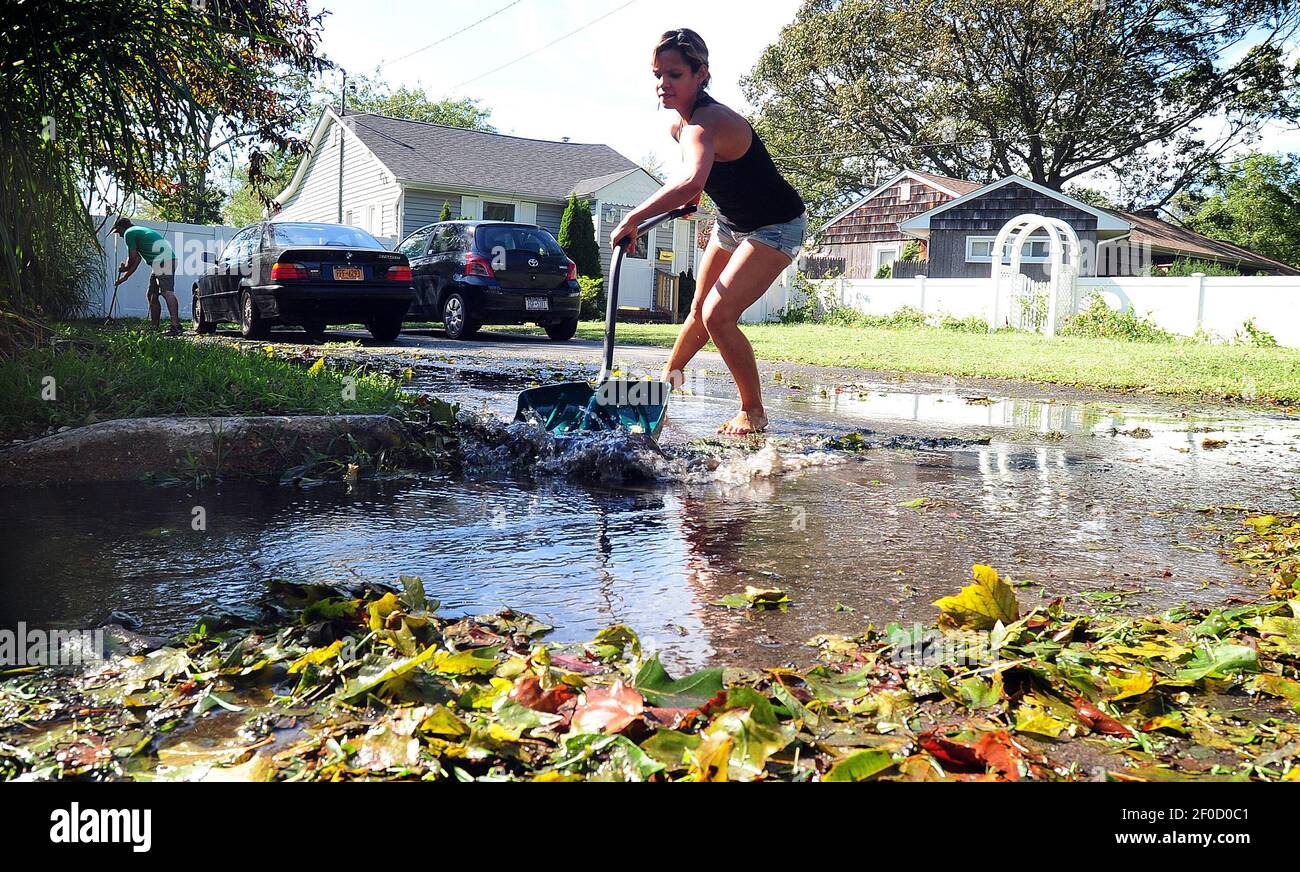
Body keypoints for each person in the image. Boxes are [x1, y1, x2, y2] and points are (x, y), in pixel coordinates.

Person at [609, 28, 806, 436]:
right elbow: (697, 180)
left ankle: (753, 411)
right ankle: (664, 389)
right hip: (732, 225)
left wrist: (633, 218)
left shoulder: (707, 122)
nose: (663, 84)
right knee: (698, 311)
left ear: (701, 74)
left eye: (675, 74)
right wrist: (690, 201)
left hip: (776, 226)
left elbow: (690, 182)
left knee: (719, 315)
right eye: (658, 75)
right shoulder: (680, 128)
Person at [111, 217, 182, 335]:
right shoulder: (136, 231)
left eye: (118, 232)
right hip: (162, 261)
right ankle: (154, 327)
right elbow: (137, 259)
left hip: (163, 261)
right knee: (152, 294)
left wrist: (125, 268)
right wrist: (125, 277)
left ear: (121, 228)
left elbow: (132, 258)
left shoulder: (129, 233)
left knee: (167, 292)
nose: (119, 235)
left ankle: (176, 326)